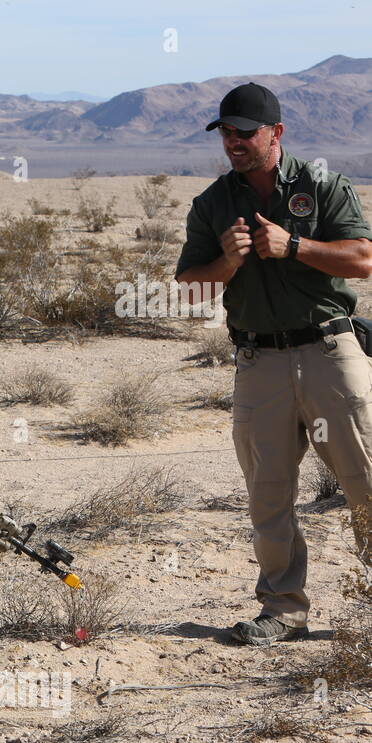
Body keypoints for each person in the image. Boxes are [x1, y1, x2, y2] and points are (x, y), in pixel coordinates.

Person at [175, 82, 372, 646]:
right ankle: (283, 609)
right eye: (226, 133)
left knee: (365, 483)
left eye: (245, 132)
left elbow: (362, 259)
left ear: (276, 134)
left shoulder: (323, 186)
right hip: (259, 362)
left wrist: (294, 247)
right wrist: (225, 262)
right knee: (268, 492)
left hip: (330, 354)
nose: (234, 142)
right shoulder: (213, 204)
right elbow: (189, 290)